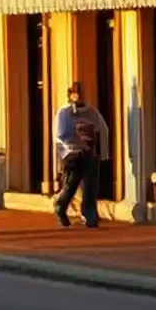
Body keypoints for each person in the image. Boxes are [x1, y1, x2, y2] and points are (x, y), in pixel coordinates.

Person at [53, 82, 110, 228]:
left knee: (91, 185)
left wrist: (101, 152)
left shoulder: (91, 112)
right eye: (75, 93)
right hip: (72, 154)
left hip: (89, 153)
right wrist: (67, 153)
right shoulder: (64, 113)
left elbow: (102, 130)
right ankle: (60, 206)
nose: (78, 97)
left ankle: (89, 213)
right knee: (70, 185)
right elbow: (59, 136)